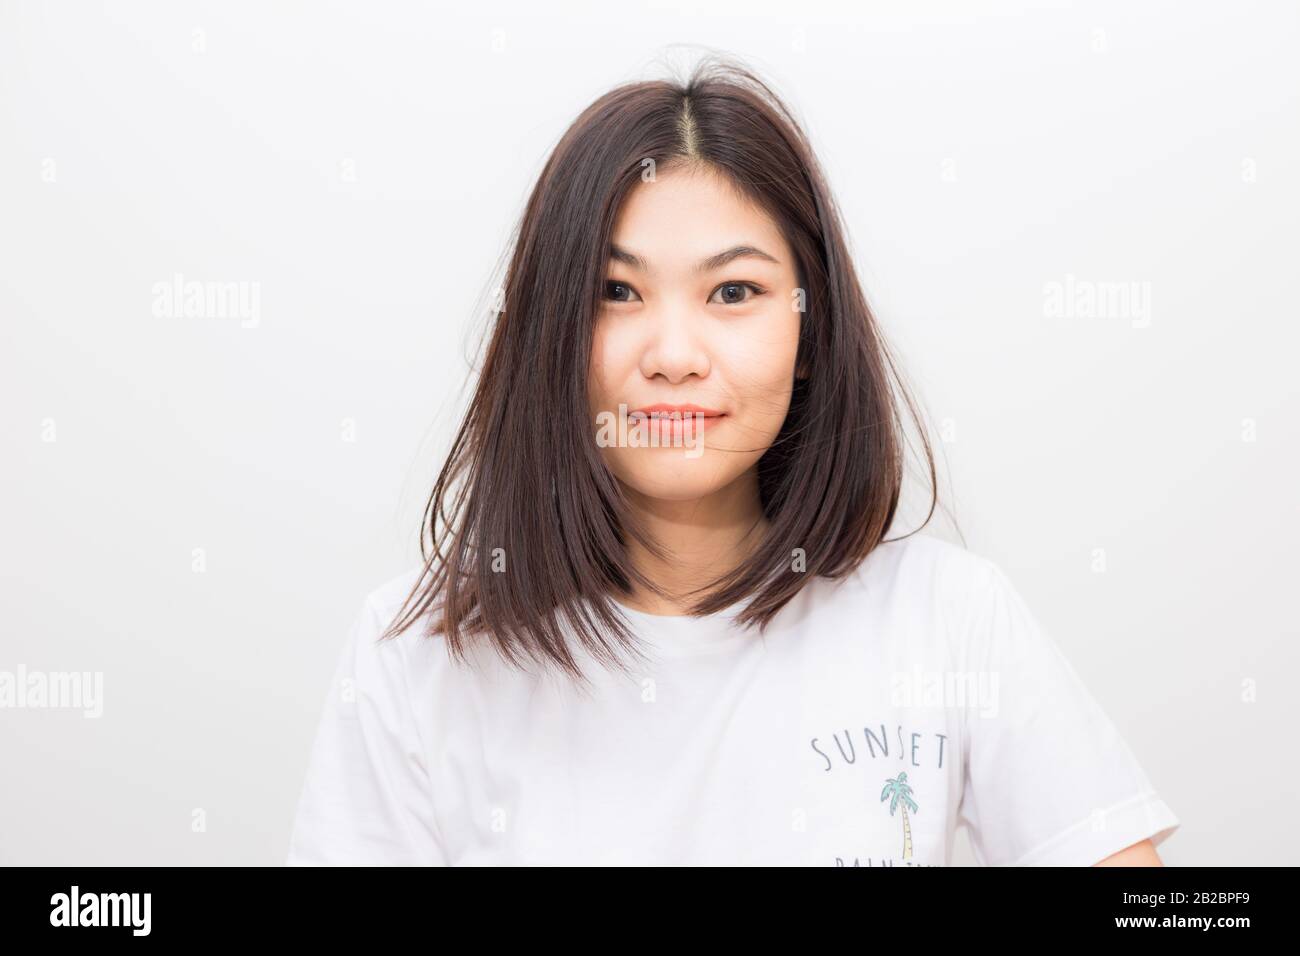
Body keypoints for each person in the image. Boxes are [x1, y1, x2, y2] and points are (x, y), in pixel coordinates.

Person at [286, 57, 1179, 866]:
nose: (674, 353)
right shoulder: (417, 656)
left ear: (806, 331)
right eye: (616, 292)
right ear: (550, 331)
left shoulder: (948, 621)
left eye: (734, 292)